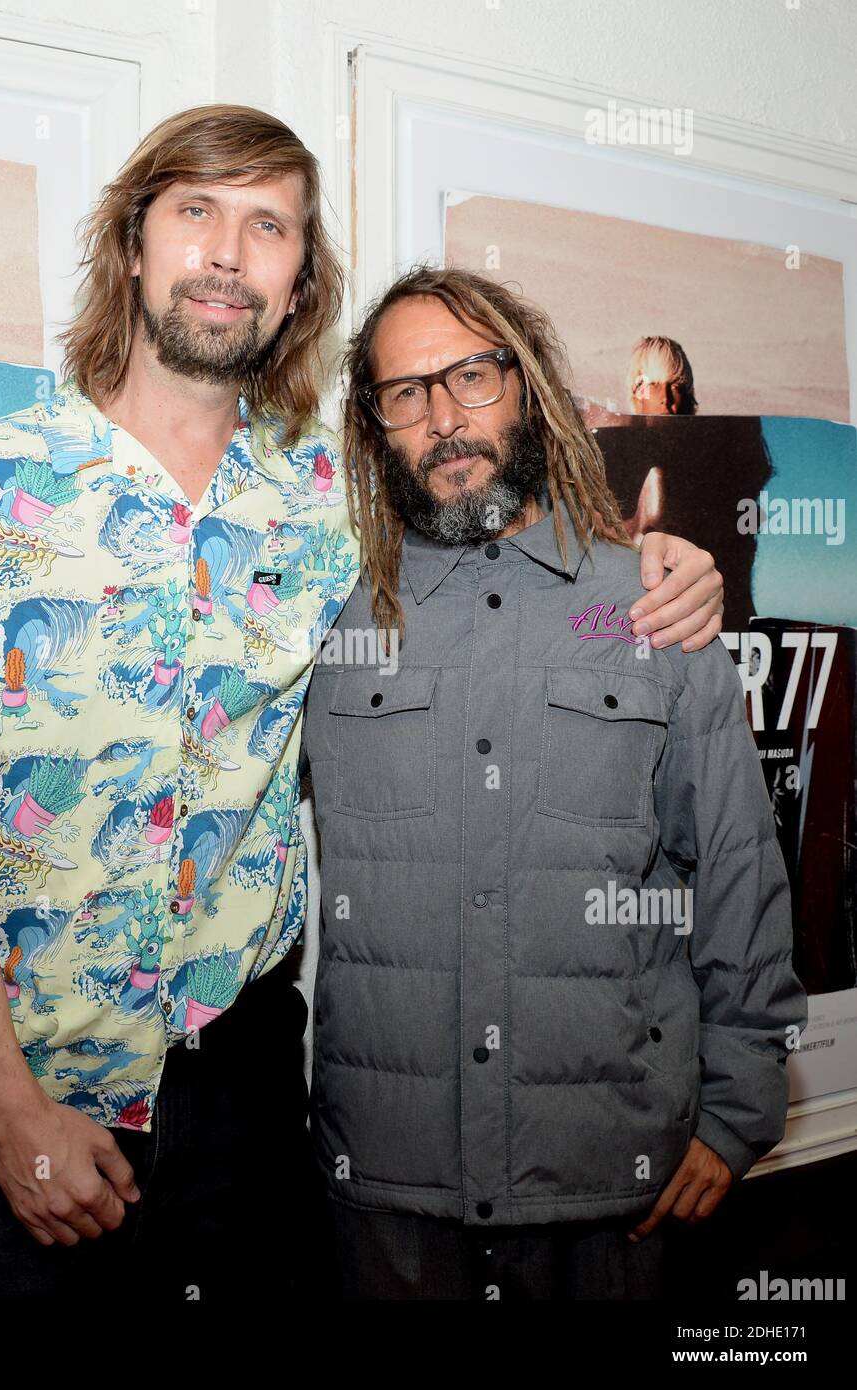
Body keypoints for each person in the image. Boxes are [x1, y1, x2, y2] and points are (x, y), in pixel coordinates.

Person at [0, 105, 724, 1301]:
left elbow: (502, 540)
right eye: (196, 213)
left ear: (299, 278)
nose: (227, 253)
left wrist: (662, 569)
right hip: (13, 1082)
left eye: (269, 226)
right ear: (132, 246)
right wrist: (8, 1108)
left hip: (246, 1108)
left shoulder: (332, 498)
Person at [300, 265, 807, 1300]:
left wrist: (737, 1112)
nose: (443, 418)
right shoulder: (325, 619)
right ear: (375, 429)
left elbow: (739, 877)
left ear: (527, 383)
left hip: (615, 1198)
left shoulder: (656, 607)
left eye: (472, 376)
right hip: (388, 1207)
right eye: (406, 394)